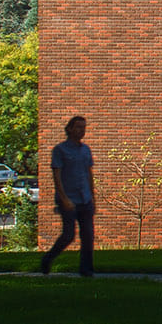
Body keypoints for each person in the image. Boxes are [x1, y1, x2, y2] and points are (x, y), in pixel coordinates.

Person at [38, 115, 96, 278]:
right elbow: (57, 175)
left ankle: (86, 271)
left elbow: (89, 174)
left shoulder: (86, 150)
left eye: (83, 127)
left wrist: (92, 197)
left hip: (85, 199)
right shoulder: (60, 150)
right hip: (68, 200)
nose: (81, 130)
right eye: (78, 127)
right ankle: (47, 259)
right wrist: (63, 198)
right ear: (69, 129)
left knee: (88, 236)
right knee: (69, 235)